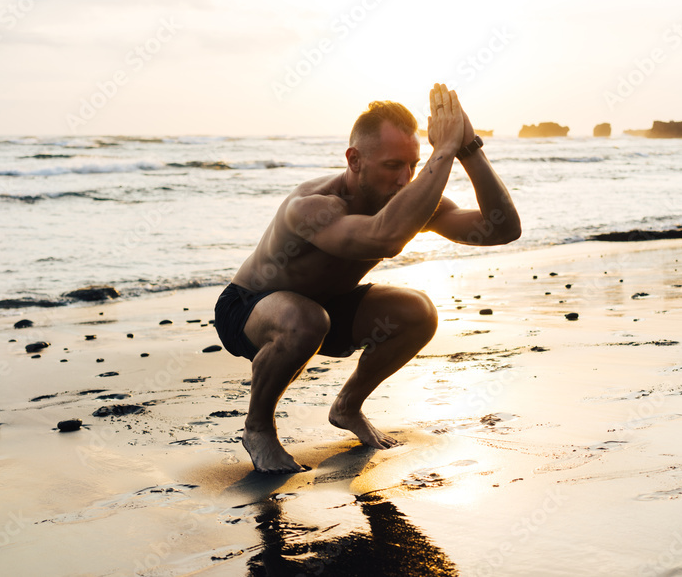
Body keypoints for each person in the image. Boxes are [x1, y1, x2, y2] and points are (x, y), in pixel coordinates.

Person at [214, 83, 521, 473]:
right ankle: (258, 428)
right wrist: (441, 151)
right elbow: (385, 238)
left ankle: (347, 406)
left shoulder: (405, 199)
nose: (405, 178)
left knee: (418, 312)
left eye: (413, 163)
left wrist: (467, 149)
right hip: (251, 307)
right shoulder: (314, 206)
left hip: (328, 309)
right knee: (305, 319)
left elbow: (502, 228)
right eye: (393, 166)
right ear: (355, 160)